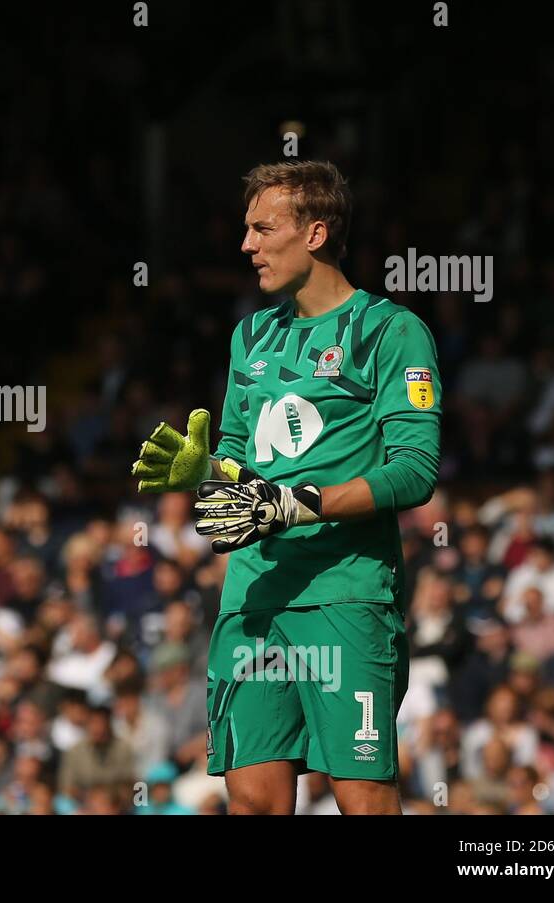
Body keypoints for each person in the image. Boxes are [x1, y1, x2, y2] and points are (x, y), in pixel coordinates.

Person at [131, 160, 442, 814]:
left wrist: (296, 505)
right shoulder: (250, 335)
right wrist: (205, 472)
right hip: (255, 594)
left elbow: (414, 471)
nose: (246, 245)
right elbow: (239, 462)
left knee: (361, 798)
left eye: (262, 229)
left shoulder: (392, 331)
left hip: (345, 594)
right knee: (252, 801)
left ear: (316, 233)